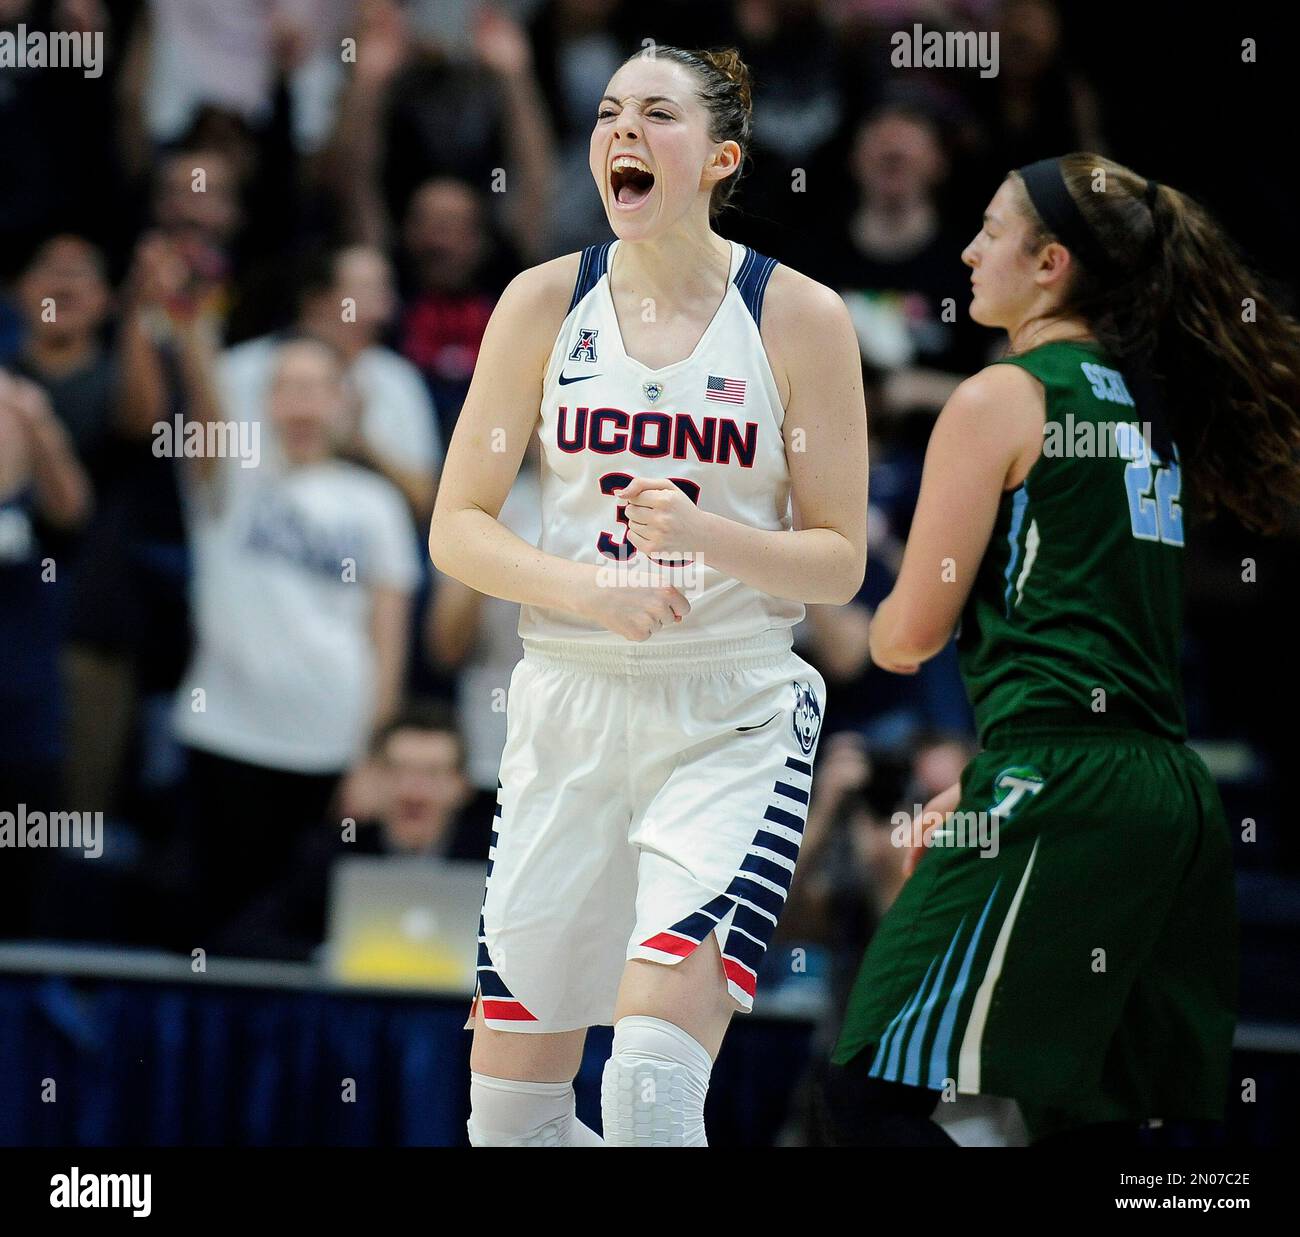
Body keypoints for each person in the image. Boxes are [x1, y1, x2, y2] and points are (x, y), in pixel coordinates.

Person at [428, 45, 868, 1147]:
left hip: (728, 715)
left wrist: (708, 534)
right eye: (611, 111)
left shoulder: (797, 316)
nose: (623, 131)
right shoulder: (543, 301)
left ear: (718, 157)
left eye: (657, 115)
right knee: (510, 1123)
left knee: (649, 1091)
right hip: (565, 705)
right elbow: (458, 527)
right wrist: (586, 590)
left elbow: (838, 559)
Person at [824, 154, 1300, 1146]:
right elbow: (1091, 634)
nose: (965, 249)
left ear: (1049, 263)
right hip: (1161, 794)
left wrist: (840, 577)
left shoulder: (999, 397)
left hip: (1056, 784)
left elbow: (907, 637)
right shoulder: (1145, 411)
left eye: (989, 230)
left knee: (867, 1091)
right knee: (1104, 1135)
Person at [173, 332, 421, 942]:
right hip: (225, 737)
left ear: (345, 402)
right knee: (214, 931)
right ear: (265, 402)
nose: (302, 406)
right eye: (286, 389)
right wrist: (190, 326)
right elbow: (203, 407)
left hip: (331, 750)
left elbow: (389, 640)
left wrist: (372, 755)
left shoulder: (374, 503)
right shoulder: (229, 480)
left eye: (316, 389)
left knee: (303, 933)